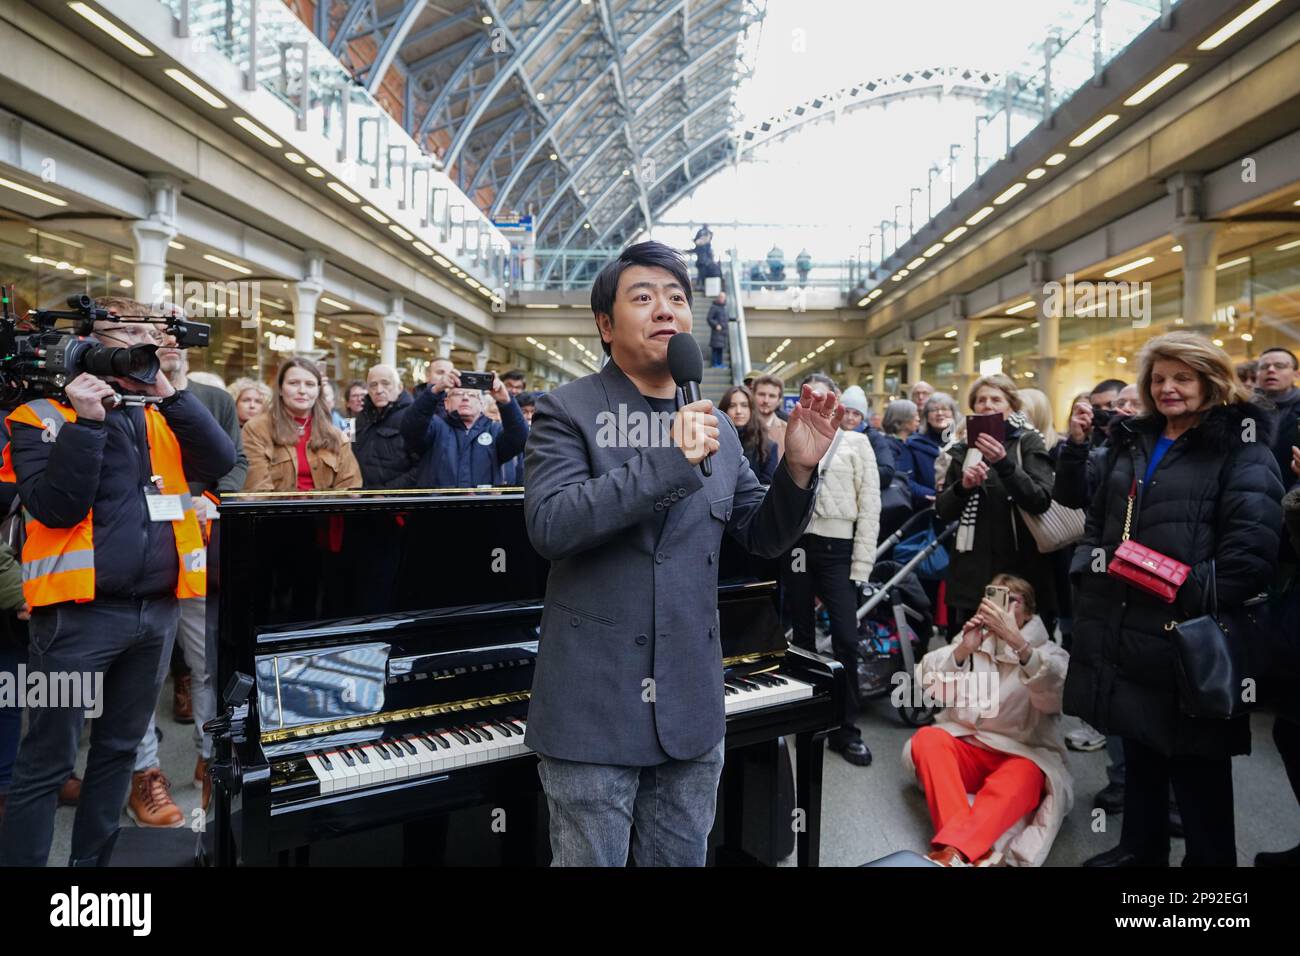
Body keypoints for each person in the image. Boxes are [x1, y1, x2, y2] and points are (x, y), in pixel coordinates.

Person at [523, 240, 839, 866]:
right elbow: (551, 524)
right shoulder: (569, 410)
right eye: (643, 298)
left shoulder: (715, 426)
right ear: (606, 326)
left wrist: (798, 470)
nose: (665, 310)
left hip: (692, 702)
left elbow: (760, 535)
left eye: (676, 298)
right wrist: (669, 460)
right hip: (594, 705)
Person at [0, 297, 235, 866]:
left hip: (155, 616)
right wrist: (88, 421)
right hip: (73, 622)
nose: (139, 345)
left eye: (146, 334)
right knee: (47, 763)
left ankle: (91, 878)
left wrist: (170, 395)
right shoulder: (38, 417)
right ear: (86, 343)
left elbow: (222, 459)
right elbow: (57, 508)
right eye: (123, 333)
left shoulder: (160, 415)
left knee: (118, 752)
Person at [1065, 332, 1282, 867]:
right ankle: (1142, 849)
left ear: (1210, 381)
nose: (1168, 389)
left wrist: (1175, 590)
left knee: (1197, 766)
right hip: (1123, 619)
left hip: (1189, 631)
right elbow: (1098, 517)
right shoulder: (1133, 440)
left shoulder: (1242, 447)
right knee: (1140, 745)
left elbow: (1250, 557)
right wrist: (1090, 566)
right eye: (1159, 378)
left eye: (1182, 377)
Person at [130, 337, 247, 824]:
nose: (166, 347)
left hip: (199, 552)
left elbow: (236, 464)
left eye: (174, 340)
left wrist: (214, 501)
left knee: (205, 666)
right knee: (139, 674)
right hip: (136, 552)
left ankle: (208, 755)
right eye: (154, 339)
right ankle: (144, 773)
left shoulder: (214, 401)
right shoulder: (124, 400)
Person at [906, 575, 1072, 867]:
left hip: (1020, 752)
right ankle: (972, 852)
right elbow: (930, 686)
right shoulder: (972, 641)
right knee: (928, 739)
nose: (1002, 608)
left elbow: (1054, 695)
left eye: (1013, 601)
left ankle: (953, 852)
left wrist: (1019, 645)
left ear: (1029, 612)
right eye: (997, 598)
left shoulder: (1050, 654)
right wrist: (962, 650)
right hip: (968, 744)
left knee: (1028, 773)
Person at [786, 377, 880, 767]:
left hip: (838, 549)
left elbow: (870, 506)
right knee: (801, 637)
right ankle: (807, 718)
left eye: (825, 393)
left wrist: (861, 565)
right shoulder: (792, 437)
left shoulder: (858, 442)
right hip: (798, 545)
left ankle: (846, 727)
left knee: (845, 637)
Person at [934, 374, 1055, 636]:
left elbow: (1040, 499)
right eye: (981, 400)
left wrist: (1003, 462)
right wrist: (963, 487)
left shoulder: (1027, 441)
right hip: (969, 571)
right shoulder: (962, 447)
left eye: (996, 399)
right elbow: (943, 510)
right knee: (968, 650)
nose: (987, 405)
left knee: (1012, 652)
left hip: (1018, 568)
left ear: (1011, 406)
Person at [242, 358, 362, 492]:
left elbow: (350, 487)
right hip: (276, 512)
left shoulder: (337, 435)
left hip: (324, 511)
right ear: (280, 389)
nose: (302, 390)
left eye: (309, 384)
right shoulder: (256, 429)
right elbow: (257, 490)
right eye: (293, 383)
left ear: (318, 391)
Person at [401, 371, 526, 489]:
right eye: (458, 394)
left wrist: (506, 402)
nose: (465, 398)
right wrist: (434, 391)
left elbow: (521, 439)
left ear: (482, 404)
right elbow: (410, 427)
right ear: (446, 403)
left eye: (472, 395)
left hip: (484, 507)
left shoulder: (494, 430)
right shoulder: (434, 427)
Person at [353, 364, 419, 489]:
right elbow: (348, 454)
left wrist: (387, 493)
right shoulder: (360, 417)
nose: (379, 390)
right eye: (373, 385)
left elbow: (422, 467)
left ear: (399, 387)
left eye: (385, 383)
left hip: (396, 501)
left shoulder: (412, 417)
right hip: (362, 498)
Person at [837, 383, 895, 492]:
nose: (850, 417)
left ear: (862, 417)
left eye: (856, 414)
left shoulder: (873, 437)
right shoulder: (830, 434)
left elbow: (887, 471)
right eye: (846, 412)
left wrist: (850, 474)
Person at [1257, 347, 1300, 493]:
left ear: (1296, 374)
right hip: (1253, 491)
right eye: (1264, 367)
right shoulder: (1244, 411)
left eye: (1280, 366)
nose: (1270, 370)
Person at [719, 385, 778, 485]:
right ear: (724, 410)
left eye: (744, 405)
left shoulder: (767, 446)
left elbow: (766, 485)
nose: (738, 411)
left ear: (751, 409)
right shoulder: (714, 442)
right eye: (732, 405)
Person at [907, 393, 958, 508]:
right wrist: (932, 495)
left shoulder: (962, 443)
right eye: (934, 410)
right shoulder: (914, 443)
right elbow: (907, 479)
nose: (939, 413)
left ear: (953, 414)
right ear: (926, 416)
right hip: (924, 506)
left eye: (945, 409)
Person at [752, 374, 788, 457]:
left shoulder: (787, 431)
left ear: (779, 401)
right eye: (761, 394)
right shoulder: (739, 426)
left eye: (772, 396)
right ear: (752, 396)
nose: (766, 400)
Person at [706, 291, 728, 368]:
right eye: (721, 297)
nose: (722, 299)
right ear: (718, 298)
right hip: (717, 332)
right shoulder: (714, 307)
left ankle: (720, 363)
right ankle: (714, 364)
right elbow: (709, 318)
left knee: (720, 349)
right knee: (715, 349)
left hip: (723, 333)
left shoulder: (724, 307)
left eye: (723, 297)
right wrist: (716, 325)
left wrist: (735, 319)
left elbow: (726, 319)